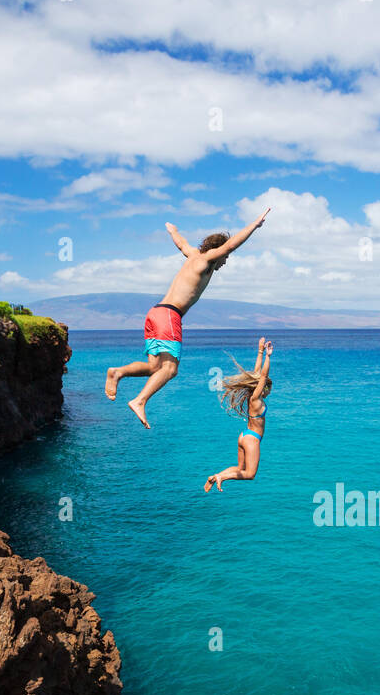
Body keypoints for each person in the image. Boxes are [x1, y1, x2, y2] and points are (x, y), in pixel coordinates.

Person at [104, 208, 271, 428]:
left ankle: (118, 372)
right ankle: (139, 401)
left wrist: (173, 231)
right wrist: (255, 225)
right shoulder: (206, 260)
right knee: (171, 370)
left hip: (155, 313)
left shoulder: (193, 255)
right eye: (225, 257)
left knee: (155, 367)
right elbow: (231, 244)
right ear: (217, 251)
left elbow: (182, 243)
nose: (225, 261)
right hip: (169, 316)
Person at [204, 338, 272, 491]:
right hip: (252, 439)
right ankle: (222, 477)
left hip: (244, 435)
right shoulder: (255, 398)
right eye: (268, 390)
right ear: (265, 389)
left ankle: (215, 477)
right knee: (249, 474)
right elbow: (262, 376)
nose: (268, 393)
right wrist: (268, 356)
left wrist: (260, 351)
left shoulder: (250, 395)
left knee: (240, 467)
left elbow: (256, 374)